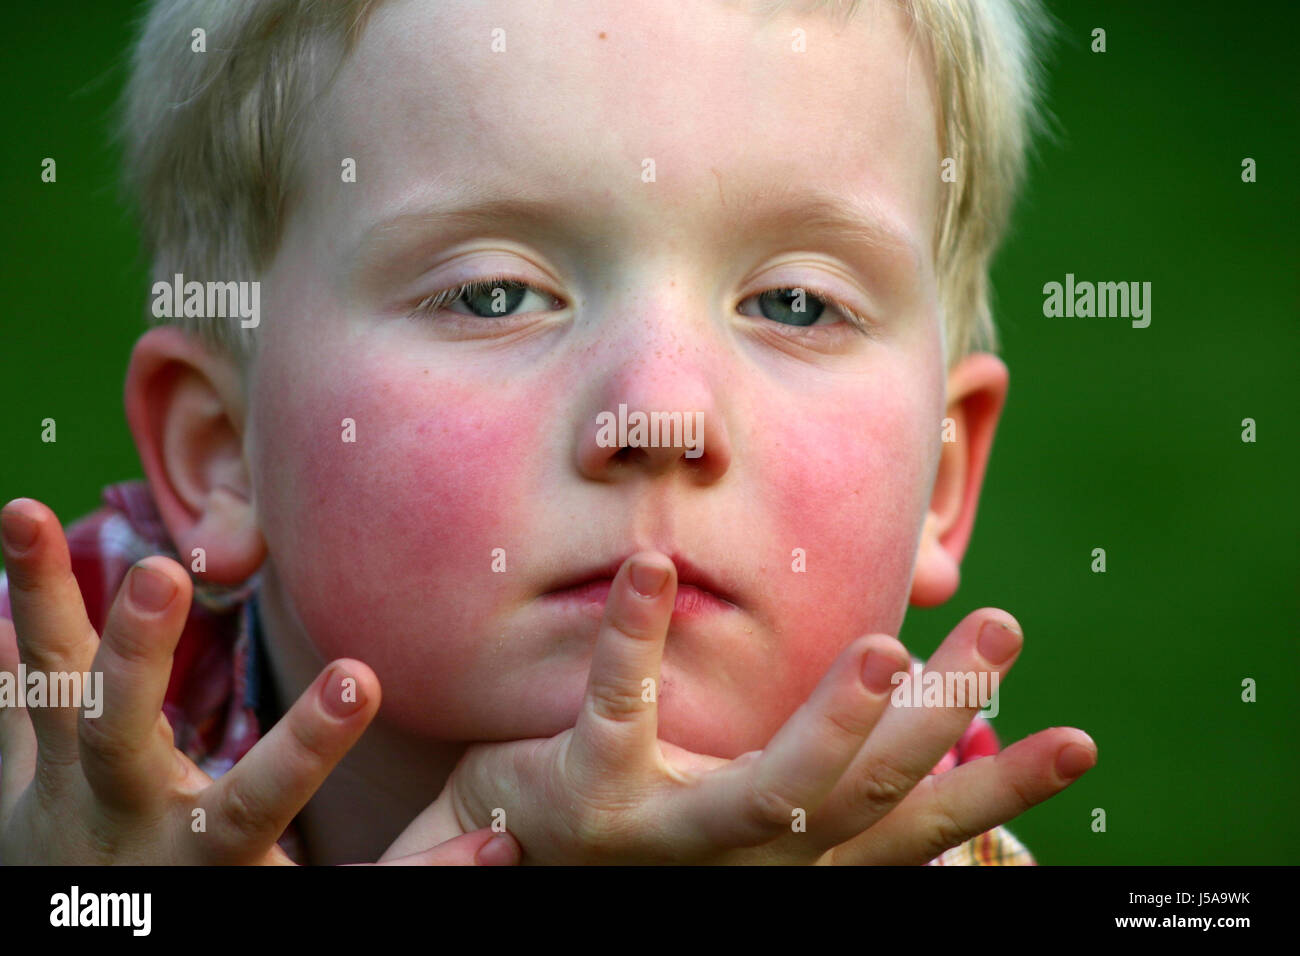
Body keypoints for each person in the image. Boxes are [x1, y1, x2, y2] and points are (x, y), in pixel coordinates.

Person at [0, 0, 1096, 865]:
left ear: (940, 477)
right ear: (224, 450)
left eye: (794, 303)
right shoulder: (44, 743)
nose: (661, 413)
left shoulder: (940, 838)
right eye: (493, 294)